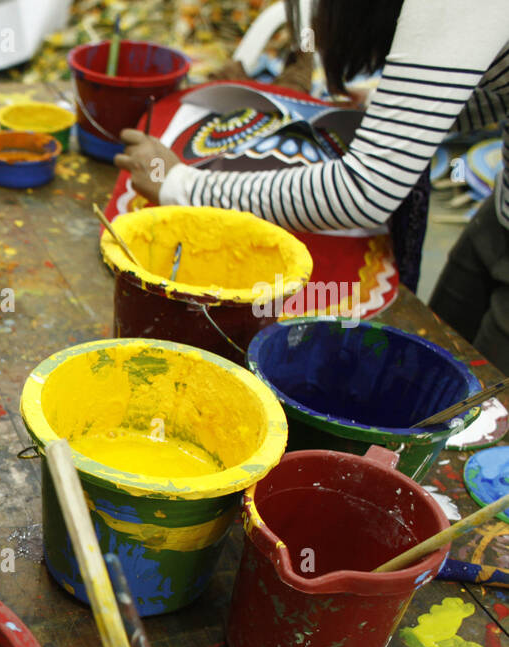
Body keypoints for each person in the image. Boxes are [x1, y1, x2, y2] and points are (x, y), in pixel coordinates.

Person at [115, 0, 509, 370]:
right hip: (500, 211)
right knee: (439, 355)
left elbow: (362, 191)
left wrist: (180, 184)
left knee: (480, 400)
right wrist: (397, 114)